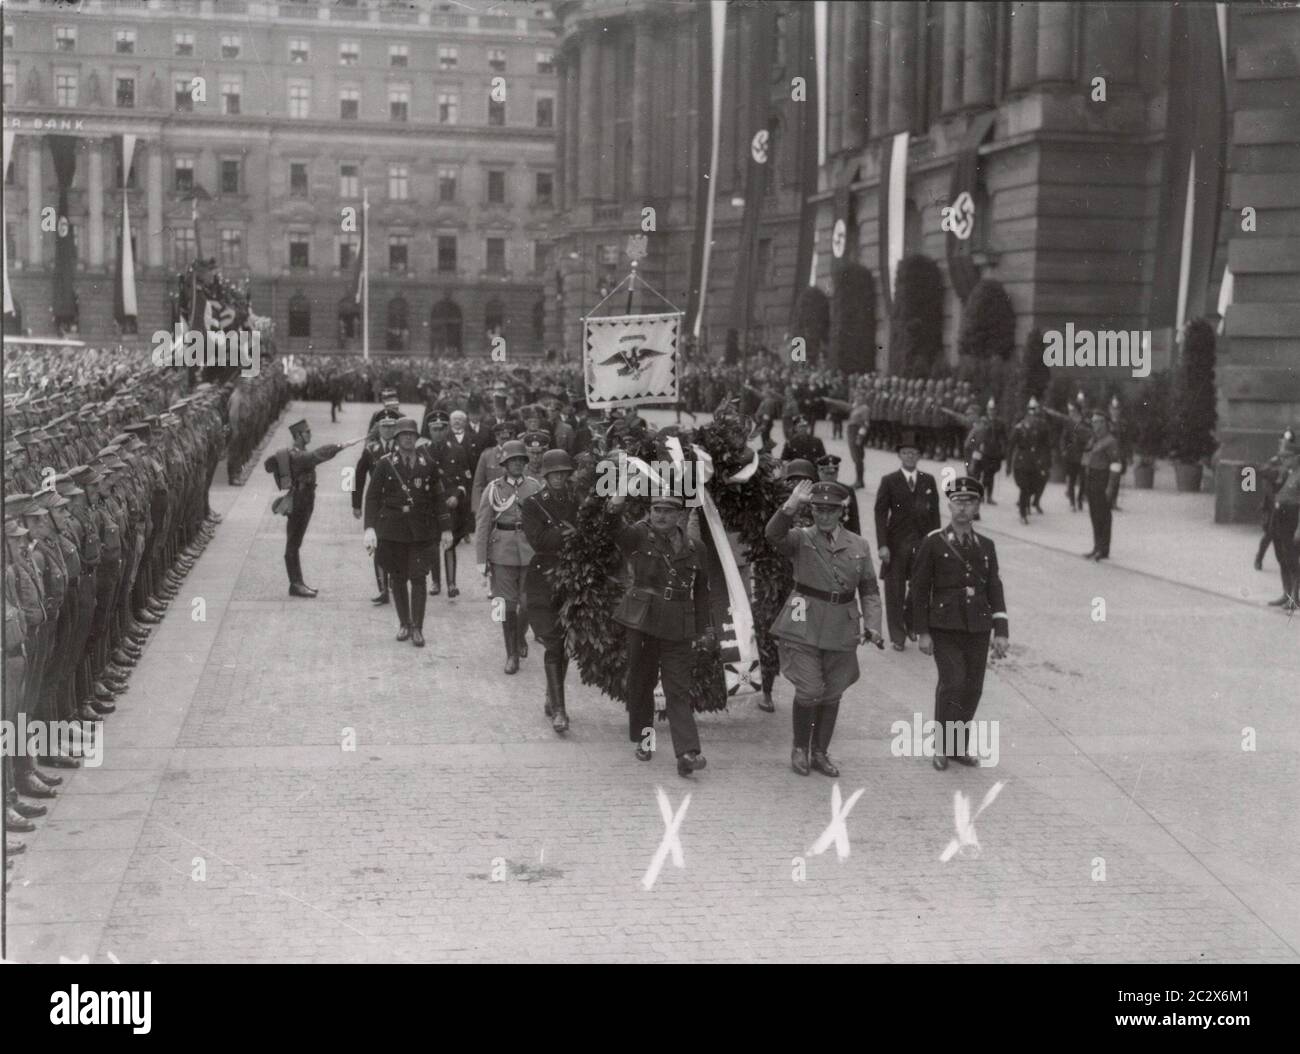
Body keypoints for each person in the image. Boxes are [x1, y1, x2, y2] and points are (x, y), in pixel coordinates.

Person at [766, 480, 884, 776]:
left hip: (841, 626)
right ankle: (799, 748)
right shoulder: (800, 538)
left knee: (832, 693)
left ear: (841, 512)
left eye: (831, 511)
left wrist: (873, 625)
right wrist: (791, 504)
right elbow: (773, 534)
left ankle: (819, 752)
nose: (824, 516)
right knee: (809, 689)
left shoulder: (859, 545)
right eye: (818, 510)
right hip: (802, 621)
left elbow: (869, 589)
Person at [608, 488, 712, 778]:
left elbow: (701, 592)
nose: (661, 516)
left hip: (678, 624)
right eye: (656, 510)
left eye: (668, 511)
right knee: (642, 682)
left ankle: (687, 753)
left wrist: (705, 628)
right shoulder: (639, 536)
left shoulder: (695, 547)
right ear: (650, 512)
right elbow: (613, 531)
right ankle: (646, 740)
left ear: (679, 515)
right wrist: (615, 507)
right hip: (643, 620)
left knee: (677, 688)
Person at [910, 476, 1010, 770]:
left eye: (969, 502)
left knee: (973, 687)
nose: (962, 509)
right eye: (957, 502)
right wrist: (922, 632)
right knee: (952, 683)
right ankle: (941, 746)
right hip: (945, 626)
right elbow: (918, 589)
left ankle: (957, 746)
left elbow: (994, 587)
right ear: (949, 505)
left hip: (978, 627)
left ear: (977, 506)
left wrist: (1001, 630)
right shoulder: (933, 542)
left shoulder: (986, 546)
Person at [362, 417, 452, 647]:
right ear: (397, 438)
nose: (408, 438)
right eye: (404, 435)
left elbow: (438, 498)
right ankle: (404, 623)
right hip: (392, 531)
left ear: (416, 437)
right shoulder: (385, 463)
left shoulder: (428, 464)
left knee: (419, 577)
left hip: (422, 531)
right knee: (398, 578)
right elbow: (372, 497)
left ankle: (418, 628)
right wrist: (370, 528)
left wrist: (446, 529)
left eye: (412, 435)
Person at [521, 448, 579, 732]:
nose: (558, 478)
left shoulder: (578, 502)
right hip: (543, 581)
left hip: (572, 581)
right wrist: (568, 533)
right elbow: (539, 541)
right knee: (554, 643)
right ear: (545, 475)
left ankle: (551, 696)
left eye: (563, 473)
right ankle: (559, 710)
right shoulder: (532, 504)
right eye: (554, 473)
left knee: (564, 645)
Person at [475, 439, 541, 673]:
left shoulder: (534, 487)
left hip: (530, 550)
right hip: (501, 550)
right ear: (504, 463)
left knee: (528, 602)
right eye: (512, 461)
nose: (516, 465)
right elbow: (483, 524)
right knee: (505, 604)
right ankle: (511, 653)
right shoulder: (494, 488)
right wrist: (481, 560)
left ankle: (520, 636)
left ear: (525, 462)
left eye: (520, 460)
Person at [873, 430, 941, 651]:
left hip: (922, 544)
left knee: (920, 587)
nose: (910, 456)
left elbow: (935, 516)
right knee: (894, 590)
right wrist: (882, 544)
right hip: (895, 545)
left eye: (914, 453)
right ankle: (897, 635)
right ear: (900, 456)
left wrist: (936, 543)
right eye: (905, 453)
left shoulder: (928, 481)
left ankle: (912, 622)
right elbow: (880, 514)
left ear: (919, 456)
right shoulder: (889, 481)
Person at [271, 420, 350, 597]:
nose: (310, 435)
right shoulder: (297, 455)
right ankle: (295, 584)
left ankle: (298, 582)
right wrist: (339, 446)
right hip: (300, 500)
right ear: (298, 435)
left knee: (295, 542)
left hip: (304, 498)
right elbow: (317, 456)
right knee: (293, 543)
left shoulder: (299, 452)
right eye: (307, 432)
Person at [353, 410, 400, 604]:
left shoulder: (402, 448)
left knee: (397, 544)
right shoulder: (370, 449)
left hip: (398, 503)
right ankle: (383, 589)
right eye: (384, 426)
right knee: (378, 545)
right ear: (378, 428)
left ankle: (396, 584)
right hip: (377, 503)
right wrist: (356, 505)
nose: (388, 430)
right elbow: (358, 476)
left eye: (391, 426)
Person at [1081, 410, 1122, 561]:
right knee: (1094, 514)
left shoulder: (1111, 441)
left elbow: (1116, 464)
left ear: (1105, 423)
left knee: (1103, 515)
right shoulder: (1094, 440)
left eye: (1097, 421)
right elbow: (1087, 459)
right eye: (1093, 421)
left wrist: (1110, 487)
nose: (1094, 424)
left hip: (1103, 479)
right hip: (1092, 478)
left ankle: (1103, 549)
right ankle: (1096, 547)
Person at [1267, 426, 1300, 610]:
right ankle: (1286, 593)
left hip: (1293, 517)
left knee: (1292, 559)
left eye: (1287, 457)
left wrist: (1299, 529)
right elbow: (1263, 471)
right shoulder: (1285, 472)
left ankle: (1295, 597)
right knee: (1281, 557)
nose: (1284, 459)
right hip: (1280, 515)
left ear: (1297, 458)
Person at [1006, 398, 1053, 525]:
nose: (1033, 415)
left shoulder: (1042, 427)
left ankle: (1026, 503)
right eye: (1031, 411)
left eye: (1035, 411)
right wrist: (1008, 465)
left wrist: (1047, 462)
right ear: (1027, 412)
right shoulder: (1019, 427)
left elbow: (1046, 446)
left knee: (1034, 486)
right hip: (1022, 461)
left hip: (1036, 462)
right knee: (1024, 487)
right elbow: (1011, 446)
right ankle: (1022, 512)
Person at [816, 454, 860, 535]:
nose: (829, 477)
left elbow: (854, 520)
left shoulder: (847, 491)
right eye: (826, 474)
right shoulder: (814, 490)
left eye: (833, 474)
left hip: (842, 536)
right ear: (819, 472)